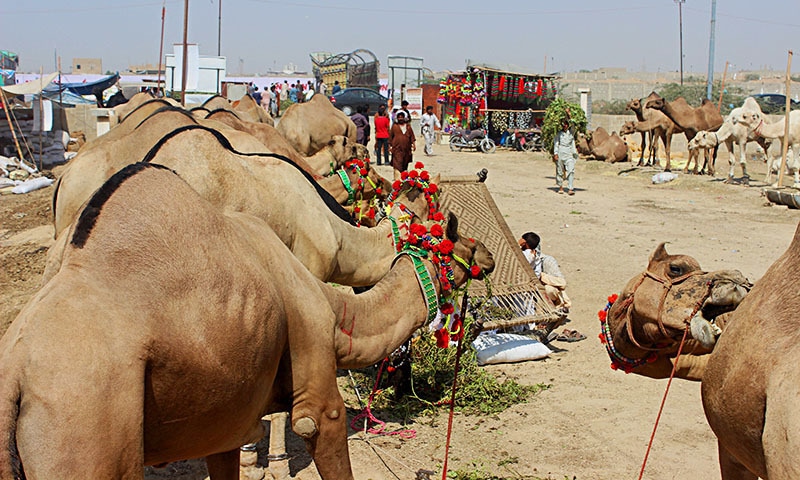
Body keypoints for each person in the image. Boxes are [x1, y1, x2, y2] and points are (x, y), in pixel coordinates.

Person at [518, 232, 571, 313]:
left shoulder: (546, 260)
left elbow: (562, 283)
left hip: (543, 293)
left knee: (548, 289)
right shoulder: (528, 257)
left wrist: (540, 277)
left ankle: (548, 311)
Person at [553, 119, 578, 195]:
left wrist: (569, 114)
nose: (565, 126)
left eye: (566, 124)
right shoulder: (559, 134)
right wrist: (555, 153)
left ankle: (570, 188)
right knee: (560, 170)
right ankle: (561, 187)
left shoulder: (571, 133)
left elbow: (574, 124)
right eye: (563, 124)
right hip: (561, 152)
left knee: (571, 170)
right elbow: (556, 143)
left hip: (569, 153)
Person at [389, 111, 416, 180]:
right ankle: (397, 177)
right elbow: (391, 136)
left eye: (402, 117)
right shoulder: (395, 126)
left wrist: (414, 144)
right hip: (397, 148)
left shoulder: (408, 127)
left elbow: (412, 136)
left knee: (405, 162)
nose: (400, 118)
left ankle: (404, 177)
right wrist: (390, 146)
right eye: (399, 117)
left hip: (407, 148)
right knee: (398, 162)